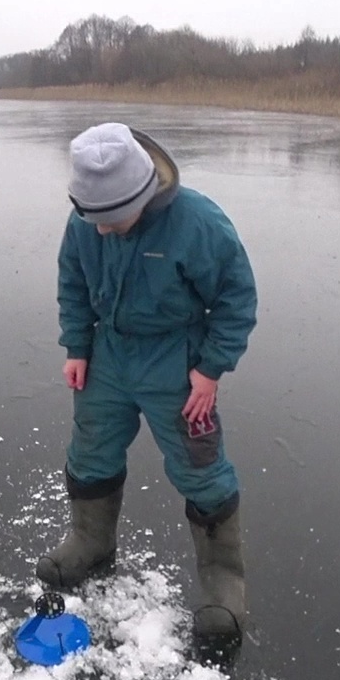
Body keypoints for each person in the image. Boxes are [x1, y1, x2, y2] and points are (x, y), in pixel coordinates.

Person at [39, 123, 257, 643]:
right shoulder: (87, 223)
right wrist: (77, 345)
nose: (102, 230)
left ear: (142, 196)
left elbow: (235, 297)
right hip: (109, 352)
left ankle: (223, 580)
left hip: (175, 360)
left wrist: (209, 370)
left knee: (199, 465)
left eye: (113, 219)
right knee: (90, 450)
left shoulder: (197, 222)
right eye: (92, 218)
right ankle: (90, 542)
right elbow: (71, 280)